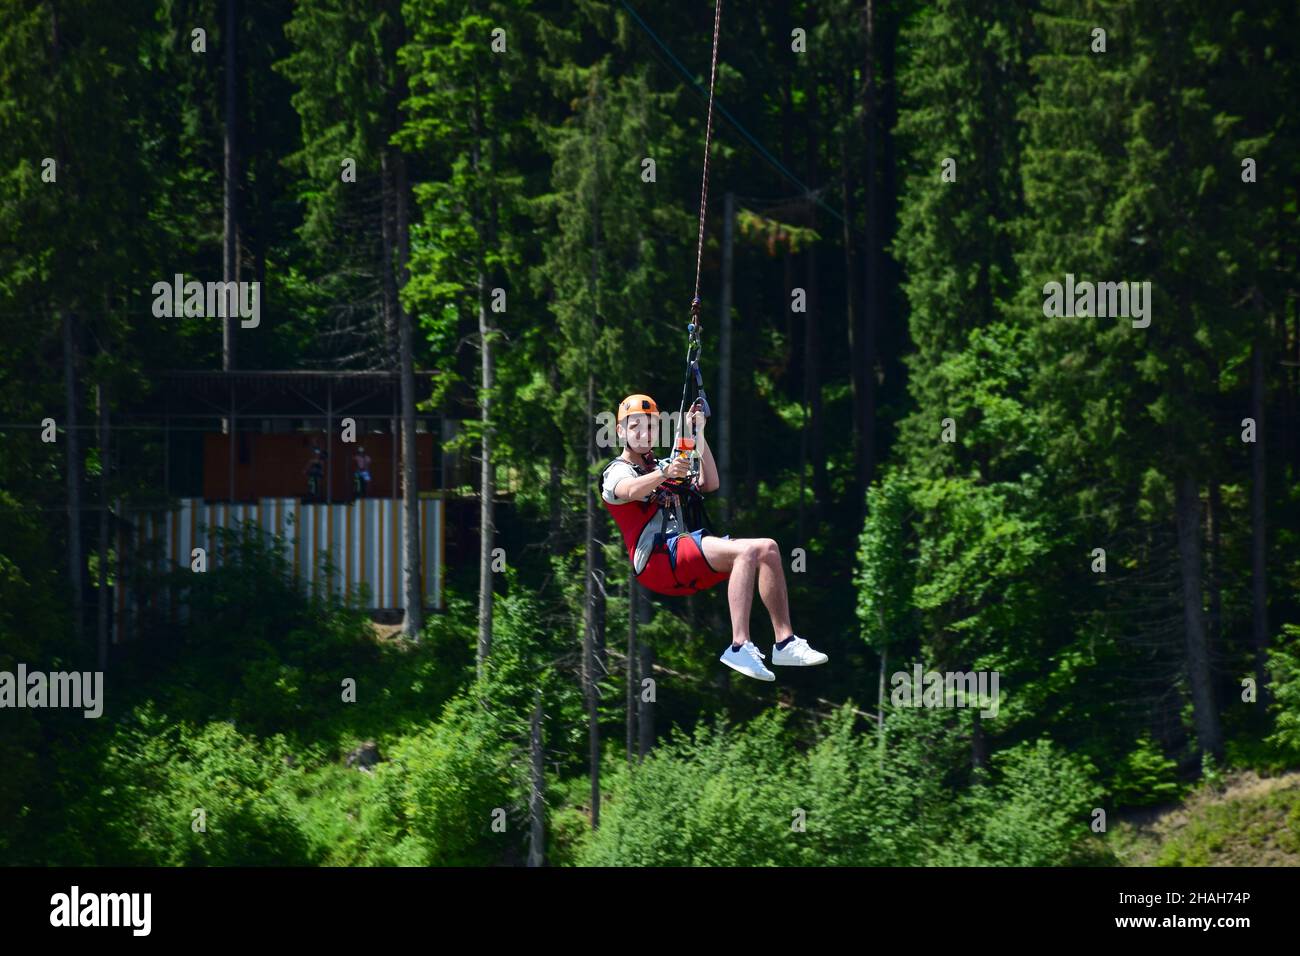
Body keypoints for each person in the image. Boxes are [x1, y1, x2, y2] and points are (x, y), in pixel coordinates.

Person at [600, 393, 828, 682]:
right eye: (635, 427)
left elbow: (710, 483)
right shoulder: (616, 471)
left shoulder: (662, 466)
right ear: (620, 431)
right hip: (657, 560)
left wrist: (698, 435)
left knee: (767, 548)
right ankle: (739, 645)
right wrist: (665, 471)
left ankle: (784, 642)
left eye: (650, 426)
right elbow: (630, 491)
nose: (643, 433)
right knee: (743, 553)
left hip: (679, 556)